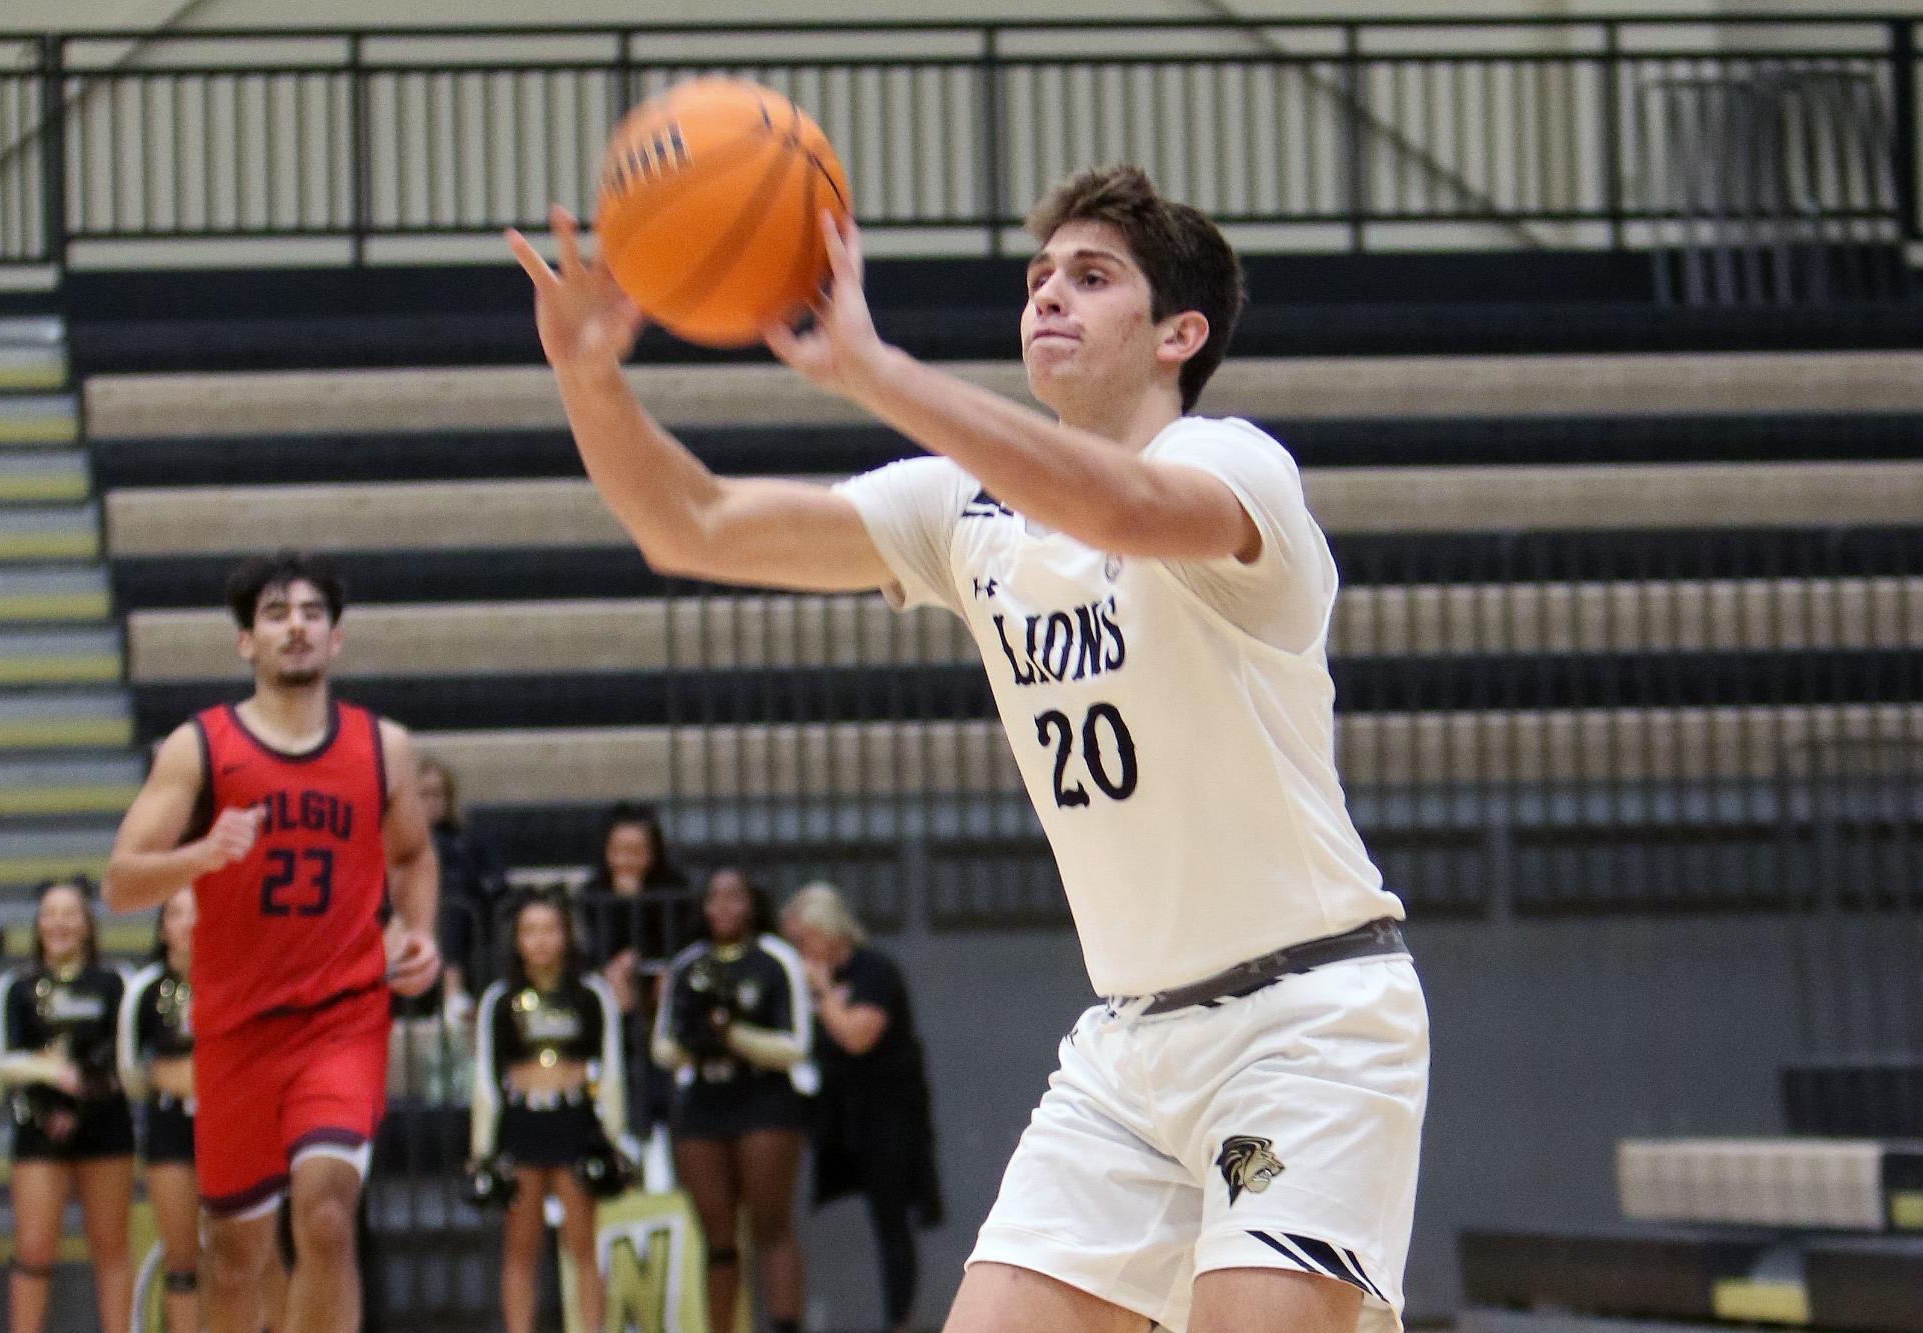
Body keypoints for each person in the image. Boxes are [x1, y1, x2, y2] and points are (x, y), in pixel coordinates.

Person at [509, 163, 1428, 1333]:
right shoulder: (961, 509)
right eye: (1037, 276)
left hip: (1305, 1020)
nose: (1047, 296)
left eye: (1090, 279)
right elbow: (689, 525)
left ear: (1175, 334)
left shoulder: (1236, 466)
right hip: (1129, 1049)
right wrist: (587, 376)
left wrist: (872, 371)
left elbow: (1119, 513)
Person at [103, 550, 441, 1333]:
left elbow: (415, 853)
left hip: (342, 1017)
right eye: (276, 614)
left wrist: (419, 935)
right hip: (235, 1031)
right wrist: (201, 855)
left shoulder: (381, 744)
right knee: (234, 1256)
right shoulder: (200, 747)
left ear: (337, 638)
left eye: (312, 613)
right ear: (246, 642)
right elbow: (120, 882)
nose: (296, 627)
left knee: (325, 1217)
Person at [652, 868, 816, 1333]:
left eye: (734, 898)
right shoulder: (687, 965)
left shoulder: (775, 959)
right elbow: (663, 1047)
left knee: (771, 1225)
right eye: (714, 899)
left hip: (764, 1098)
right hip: (704, 1099)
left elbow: (796, 1044)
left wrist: (733, 1033)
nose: (724, 908)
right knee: (718, 1238)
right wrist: (697, 1038)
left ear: (751, 904)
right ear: (702, 908)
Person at [781, 883, 942, 1333]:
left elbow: (856, 1036)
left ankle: (900, 1323)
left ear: (827, 931)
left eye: (803, 939)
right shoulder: (800, 980)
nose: (799, 951)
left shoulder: (873, 971)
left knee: (892, 1220)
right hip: (834, 1114)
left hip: (887, 1113)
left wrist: (823, 993)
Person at [468, 888, 628, 1333]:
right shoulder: (499, 999)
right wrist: (482, 1147)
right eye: (529, 931)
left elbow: (611, 1069)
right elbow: (485, 1076)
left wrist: (614, 1135)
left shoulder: (592, 994)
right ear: (515, 939)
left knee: (582, 1243)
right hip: (522, 1122)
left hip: (575, 1120)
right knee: (520, 1246)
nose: (539, 940)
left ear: (567, 935)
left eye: (550, 929)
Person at [0, 876, 135, 1333]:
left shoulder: (116, 981)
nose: (59, 923)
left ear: (88, 923)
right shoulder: (16, 987)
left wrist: (86, 1084)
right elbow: (5, 1060)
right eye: (49, 914)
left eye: (69, 913)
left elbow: (127, 1057)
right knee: (33, 1250)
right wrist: (54, 1074)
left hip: (105, 1125)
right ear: (37, 925)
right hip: (40, 1127)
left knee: (111, 1248)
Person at [118, 886, 201, 1333]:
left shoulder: (235, 979)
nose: (188, 922)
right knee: (182, 1260)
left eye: (197, 912)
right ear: (163, 925)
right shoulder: (145, 990)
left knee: (244, 1252)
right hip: (170, 1128)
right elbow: (131, 1068)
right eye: (176, 913)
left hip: (230, 1128)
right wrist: (166, 1077)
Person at [583, 800, 692, 1133]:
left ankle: (666, 1112)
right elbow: (600, 950)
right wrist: (621, 904)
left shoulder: (675, 888)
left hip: (662, 985)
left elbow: (678, 943)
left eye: (636, 850)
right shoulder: (594, 891)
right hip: (618, 988)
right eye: (619, 851)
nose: (627, 860)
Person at [418, 754, 507, 1025]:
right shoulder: (395, 841)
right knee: (449, 894)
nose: (432, 802)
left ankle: (453, 989)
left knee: (453, 893)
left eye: (438, 794)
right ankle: (452, 990)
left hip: (470, 926)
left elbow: (497, 881)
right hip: (414, 923)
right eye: (424, 795)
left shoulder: (469, 839)